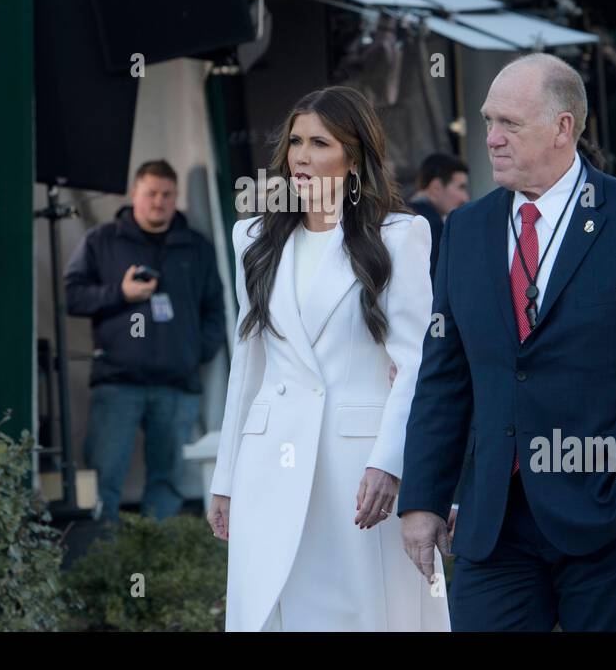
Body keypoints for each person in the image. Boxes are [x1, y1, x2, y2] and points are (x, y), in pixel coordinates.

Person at [398, 53, 616, 632]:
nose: (492, 139)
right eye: (487, 121)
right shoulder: (466, 231)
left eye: (510, 124)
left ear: (563, 127)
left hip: (612, 515)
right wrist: (423, 497)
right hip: (494, 521)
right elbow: (445, 375)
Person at [207, 86, 450, 632]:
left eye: (320, 142)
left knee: (360, 614)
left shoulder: (399, 235)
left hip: (357, 474)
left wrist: (390, 461)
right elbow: (248, 364)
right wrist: (225, 479)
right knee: (276, 609)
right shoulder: (254, 237)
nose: (301, 155)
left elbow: (416, 364)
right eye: (295, 141)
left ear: (354, 155)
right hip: (267, 466)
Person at [65, 160, 225, 523]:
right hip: (118, 381)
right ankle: (104, 567)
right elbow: (72, 296)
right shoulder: (102, 241)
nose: (159, 202)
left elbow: (215, 308)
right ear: (134, 194)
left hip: (176, 384)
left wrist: (196, 352)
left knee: (167, 482)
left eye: (167, 195)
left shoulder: (195, 247)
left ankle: (155, 568)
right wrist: (118, 293)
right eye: (151, 193)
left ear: (176, 198)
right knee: (104, 477)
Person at [407, 153, 470, 279]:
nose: (466, 198)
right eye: (461, 187)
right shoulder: (431, 226)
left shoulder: (401, 216)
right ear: (436, 188)